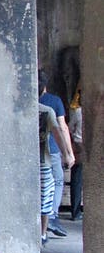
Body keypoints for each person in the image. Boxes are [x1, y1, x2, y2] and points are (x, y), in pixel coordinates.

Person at [38, 70, 73, 236]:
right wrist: (68, 153)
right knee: (54, 184)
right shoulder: (52, 104)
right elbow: (61, 129)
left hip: (26, 160)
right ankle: (50, 220)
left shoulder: (19, 106)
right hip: (48, 154)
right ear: (45, 86)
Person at [68, 84, 83, 220]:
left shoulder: (78, 112)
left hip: (79, 145)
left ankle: (75, 212)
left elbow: (70, 128)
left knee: (77, 180)